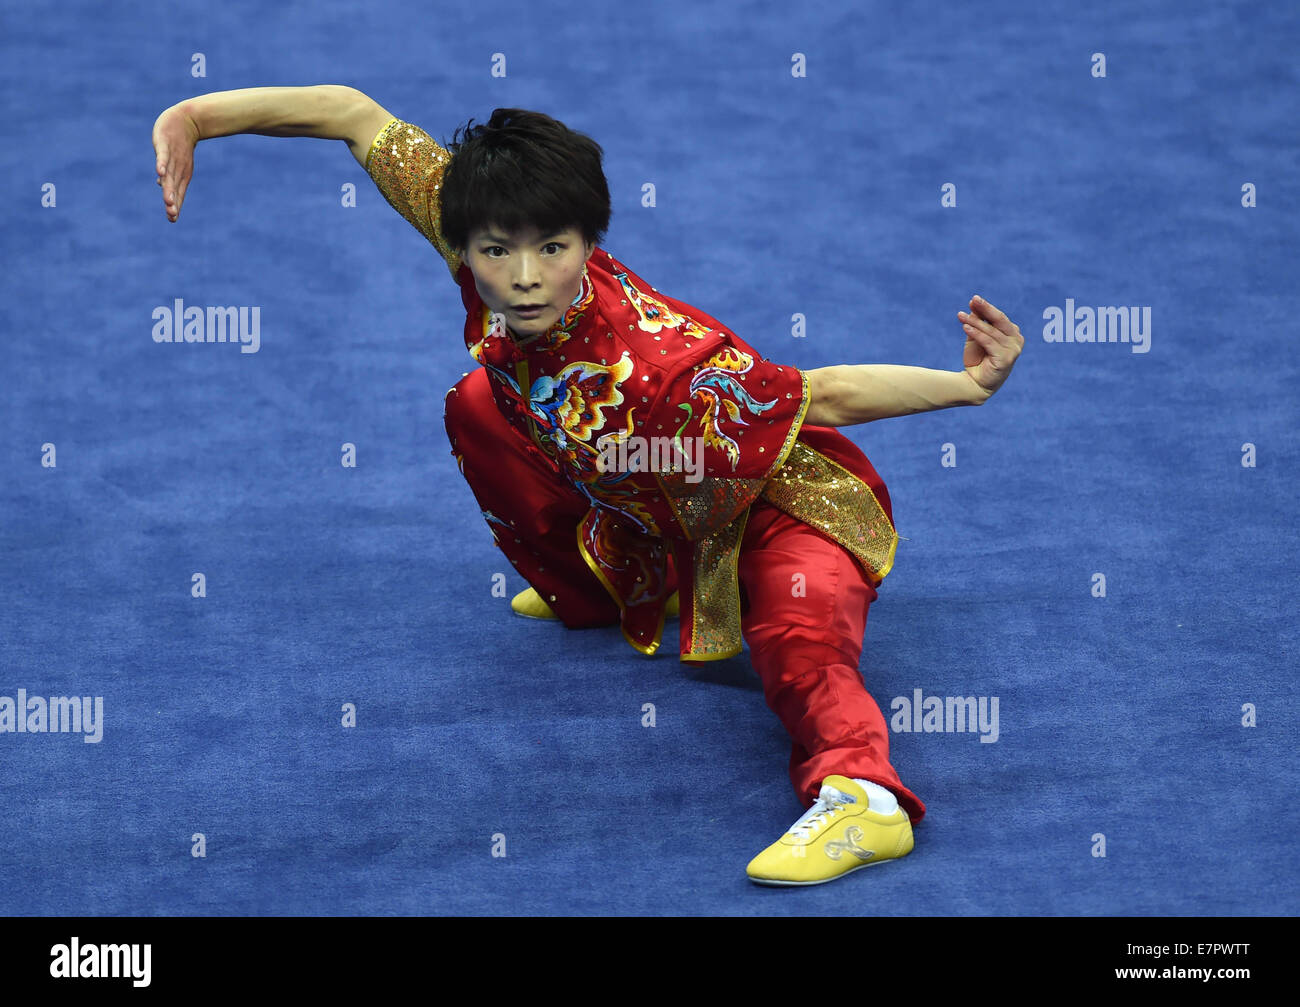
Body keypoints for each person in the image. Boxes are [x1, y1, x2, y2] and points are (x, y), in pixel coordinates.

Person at [153, 85, 1024, 886]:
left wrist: (968, 387)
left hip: (779, 503)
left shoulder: (661, 364)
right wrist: (195, 118)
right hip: (655, 493)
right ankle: (606, 587)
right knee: (478, 409)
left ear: (587, 242)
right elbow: (348, 113)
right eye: (499, 252)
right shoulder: (479, 219)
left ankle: (862, 797)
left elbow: (825, 391)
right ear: (464, 241)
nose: (525, 276)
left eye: (554, 250)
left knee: (798, 635)